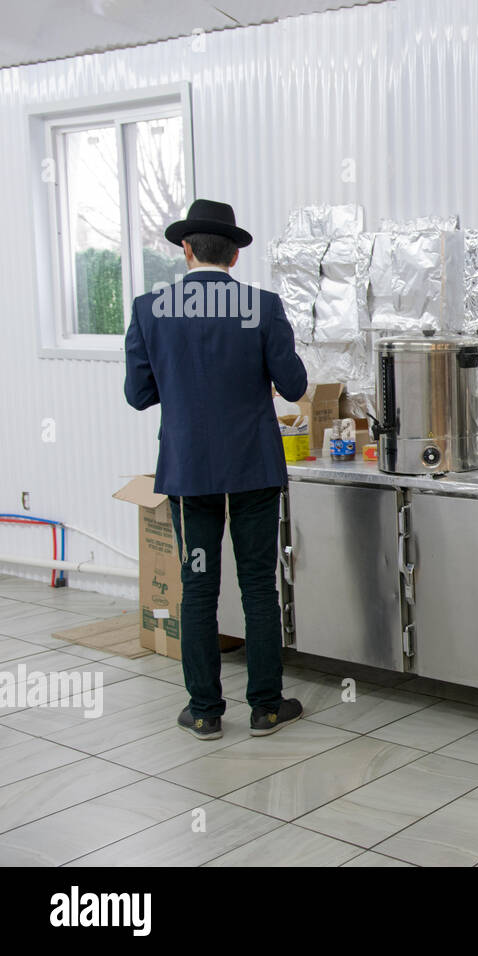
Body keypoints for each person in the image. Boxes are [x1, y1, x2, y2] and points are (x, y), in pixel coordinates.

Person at [124, 199, 306, 740]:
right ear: (234, 256)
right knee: (257, 585)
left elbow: (138, 394)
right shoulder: (263, 306)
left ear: (186, 249)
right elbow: (294, 387)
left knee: (198, 586)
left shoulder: (148, 308)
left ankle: (204, 710)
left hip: (188, 473)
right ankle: (267, 708)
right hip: (253, 467)